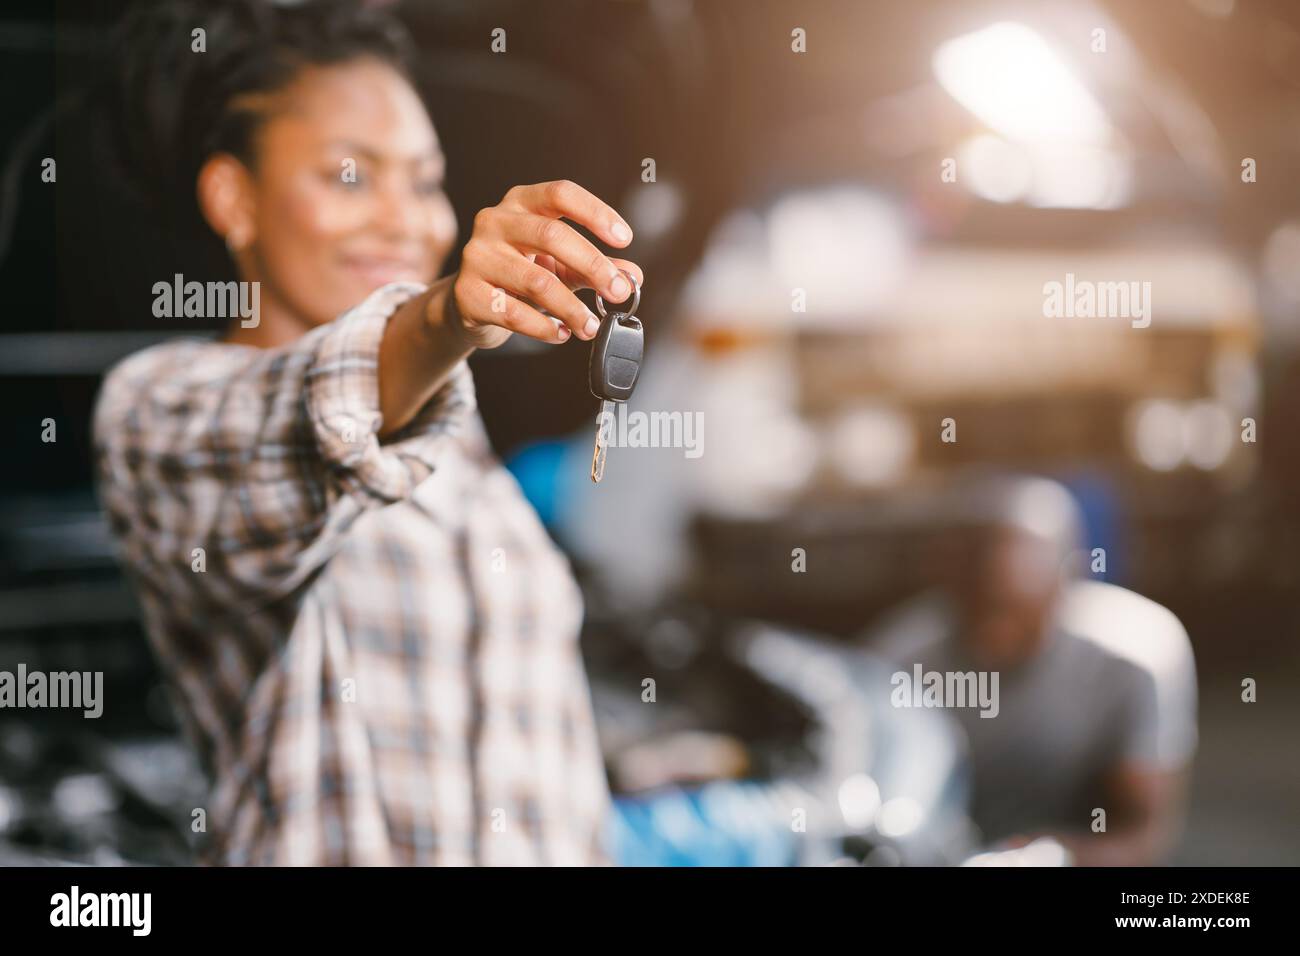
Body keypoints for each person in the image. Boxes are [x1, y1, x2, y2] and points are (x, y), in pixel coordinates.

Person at [92, 0, 643, 865]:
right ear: (233, 197)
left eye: (425, 181)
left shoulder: (455, 440)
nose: (404, 218)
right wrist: (443, 319)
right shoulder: (159, 410)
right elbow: (308, 417)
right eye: (351, 175)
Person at [862, 476, 1198, 865]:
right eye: (981, 608)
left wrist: (1056, 858)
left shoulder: (1133, 658)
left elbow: (1145, 831)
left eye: (1015, 613)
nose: (996, 634)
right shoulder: (895, 662)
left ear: (1067, 584)